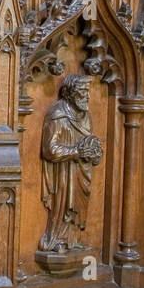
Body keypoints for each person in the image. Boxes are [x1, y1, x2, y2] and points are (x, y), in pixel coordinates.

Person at [39, 71, 103, 254]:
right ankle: (56, 239)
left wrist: (94, 153)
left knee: (79, 203)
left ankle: (72, 239)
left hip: (81, 169)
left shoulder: (85, 115)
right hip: (63, 171)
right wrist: (76, 151)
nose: (87, 96)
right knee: (63, 204)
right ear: (70, 92)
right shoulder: (57, 113)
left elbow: (90, 142)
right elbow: (49, 149)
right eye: (82, 91)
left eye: (88, 91)